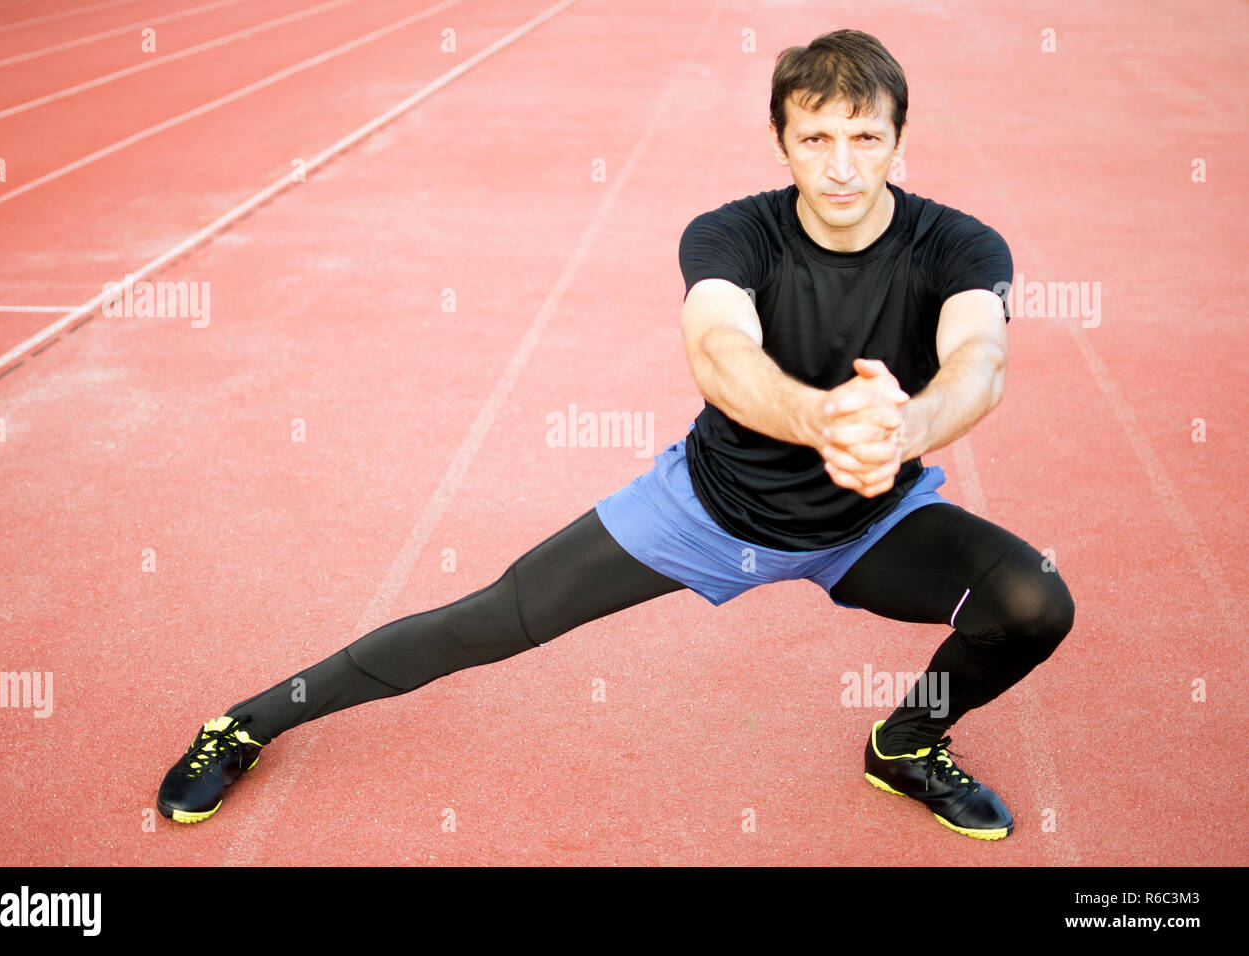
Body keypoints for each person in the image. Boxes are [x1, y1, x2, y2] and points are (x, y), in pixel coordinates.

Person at [157, 29, 1073, 840]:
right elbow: (719, 347)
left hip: (868, 523)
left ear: (900, 141)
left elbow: (979, 362)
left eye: (865, 138)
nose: (841, 165)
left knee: (1034, 601)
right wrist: (820, 419)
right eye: (816, 139)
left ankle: (905, 748)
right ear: (781, 142)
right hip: (709, 510)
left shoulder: (957, 244)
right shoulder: (734, 234)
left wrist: (907, 425)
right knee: (485, 622)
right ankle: (245, 723)